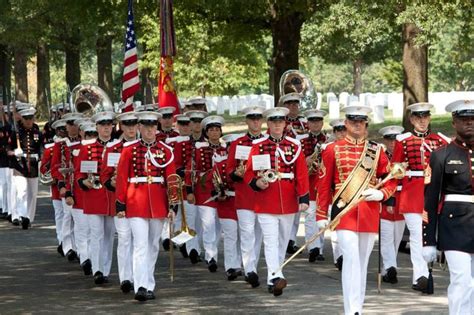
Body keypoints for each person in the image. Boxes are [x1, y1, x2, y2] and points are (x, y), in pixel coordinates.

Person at [316, 105, 397, 314]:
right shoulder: (332, 149)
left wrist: (381, 194)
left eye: (361, 121)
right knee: (351, 260)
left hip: (368, 213)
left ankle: (357, 307)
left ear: (366, 124)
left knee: (362, 263)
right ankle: (351, 309)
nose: (357, 125)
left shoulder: (376, 150)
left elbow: (390, 180)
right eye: (353, 121)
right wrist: (321, 215)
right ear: (346, 124)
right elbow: (323, 186)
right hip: (345, 214)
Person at [244, 107, 309, 296]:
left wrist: (303, 197)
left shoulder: (294, 145)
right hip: (266, 200)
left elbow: (301, 173)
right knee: (271, 240)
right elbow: (249, 172)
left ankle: (275, 274)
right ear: (269, 124)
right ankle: (275, 277)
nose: (277, 125)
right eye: (274, 122)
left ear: (285, 123)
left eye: (281, 122)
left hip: (288, 199)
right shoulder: (259, 145)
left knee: (282, 240)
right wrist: (257, 183)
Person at [115, 111, 177, 302]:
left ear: (157, 128)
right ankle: (140, 286)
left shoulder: (166, 150)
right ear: (140, 127)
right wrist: (121, 203)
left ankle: (149, 283)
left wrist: (173, 204)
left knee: (152, 245)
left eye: (153, 126)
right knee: (140, 245)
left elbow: (172, 179)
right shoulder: (129, 149)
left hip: (158, 202)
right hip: (136, 201)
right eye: (146, 126)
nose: (150, 130)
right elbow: (121, 178)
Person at [423, 100, 473, 315]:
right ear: (454, 122)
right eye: (464, 119)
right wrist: (428, 241)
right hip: (454, 226)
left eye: (472, 119)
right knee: (462, 281)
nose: (469, 123)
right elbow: (430, 200)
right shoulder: (441, 154)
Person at [391, 102, 448, 292]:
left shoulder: (440, 141)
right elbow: (395, 170)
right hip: (412, 192)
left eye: (425, 117)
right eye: (418, 118)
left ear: (429, 118)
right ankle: (420, 276)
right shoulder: (403, 141)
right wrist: (392, 195)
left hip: (434, 192)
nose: (422, 121)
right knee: (417, 236)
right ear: (412, 120)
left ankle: (426, 272)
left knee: (431, 234)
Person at [227, 105, 266, 288]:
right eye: (252, 119)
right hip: (244, 195)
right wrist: (237, 173)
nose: (256, 122)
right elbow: (229, 171)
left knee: (258, 235)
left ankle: (253, 266)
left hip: (264, 195)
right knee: (247, 233)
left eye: (258, 118)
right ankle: (249, 269)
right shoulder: (238, 143)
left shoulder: (268, 143)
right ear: (247, 121)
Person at [76, 111, 116, 285]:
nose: (106, 128)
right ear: (97, 127)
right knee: (96, 234)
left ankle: (105, 269)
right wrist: (84, 181)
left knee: (109, 235)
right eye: (103, 125)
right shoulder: (88, 148)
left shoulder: (119, 147)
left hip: (112, 195)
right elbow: (79, 172)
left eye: (109, 125)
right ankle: (97, 270)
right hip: (93, 194)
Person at [101, 111, 138, 293]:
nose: (131, 129)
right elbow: (105, 175)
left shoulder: (144, 147)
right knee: (124, 239)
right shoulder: (113, 148)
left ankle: (137, 277)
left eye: (134, 125)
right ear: (122, 127)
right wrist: (111, 183)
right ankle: (126, 278)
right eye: (127, 125)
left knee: (140, 241)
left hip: (140, 201)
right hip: (121, 200)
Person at [185, 115, 227, 273]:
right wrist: (189, 190)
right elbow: (191, 170)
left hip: (222, 190)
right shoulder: (199, 148)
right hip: (204, 190)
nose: (215, 133)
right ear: (206, 132)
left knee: (217, 225)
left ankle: (212, 250)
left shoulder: (226, 149)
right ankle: (211, 257)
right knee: (207, 224)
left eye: (217, 130)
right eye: (211, 130)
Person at [51, 113, 83, 262]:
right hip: (67, 184)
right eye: (71, 124)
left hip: (82, 185)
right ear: (66, 126)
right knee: (68, 216)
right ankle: (68, 246)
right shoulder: (61, 145)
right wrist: (61, 185)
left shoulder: (85, 142)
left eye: (76, 124)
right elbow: (55, 167)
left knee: (81, 220)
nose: (74, 127)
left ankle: (80, 249)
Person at [297, 109, 327, 262]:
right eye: (312, 121)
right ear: (307, 123)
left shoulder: (328, 140)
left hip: (323, 183)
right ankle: (313, 247)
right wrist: (306, 161)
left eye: (318, 121)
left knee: (321, 216)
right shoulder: (301, 142)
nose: (315, 124)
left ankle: (320, 247)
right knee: (310, 216)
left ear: (322, 123)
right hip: (308, 182)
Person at [378, 125, 405, 284]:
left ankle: (388, 268)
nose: (393, 143)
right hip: (385, 200)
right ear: (385, 141)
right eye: (389, 139)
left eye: (396, 139)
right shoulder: (381, 157)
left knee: (397, 238)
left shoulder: (405, 157)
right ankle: (390, 267)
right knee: (386, 237)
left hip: (402, 200)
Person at [8, 106, 43, 229]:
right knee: (22, 191)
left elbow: (41, 148)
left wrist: (40, 156)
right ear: (22, 119)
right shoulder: (16, 133)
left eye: (30, 118)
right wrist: (14, 152)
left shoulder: (37, 133)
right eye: (26, 118)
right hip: (19, 165)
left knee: (32, 194)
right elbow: (7, 149)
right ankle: (23, 215)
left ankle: (29, 217)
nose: (28, 121)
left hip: (32, 166)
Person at [41, 119, 67, 255]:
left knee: (70, 217)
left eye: (65, 129)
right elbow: (43, 167)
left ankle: (69, 244)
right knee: (60, 215)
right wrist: (50, 170)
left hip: (70, 187)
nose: (63, 132)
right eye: (60, 129)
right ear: (56, 131)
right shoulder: (50, 148)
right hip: (57, 189)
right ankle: (61, 240)